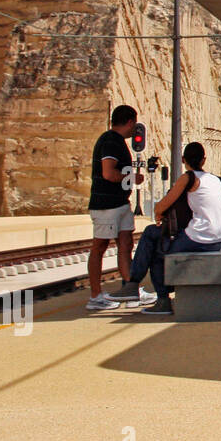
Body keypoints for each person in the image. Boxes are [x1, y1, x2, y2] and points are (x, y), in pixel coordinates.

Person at [107, 141, 221, 315]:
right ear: (204, 160)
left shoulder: (188, 177)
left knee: (157, 250)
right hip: (218, 240)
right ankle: (134, 286)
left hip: (200, 238)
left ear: (183, 159)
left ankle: (151, 294)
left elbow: (161, 206)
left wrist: (159, 214)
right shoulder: (214, 179)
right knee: (154, 236)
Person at [85, 104, 143, 311]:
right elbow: (109, 173)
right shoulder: (110, 141)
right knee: (99, 247)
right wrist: (131, 177)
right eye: (134, 124)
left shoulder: (117, 142)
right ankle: (95, 295)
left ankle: (129, 287)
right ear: (129, 122)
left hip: (120, 203)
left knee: (126, 244)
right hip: (106, 204)